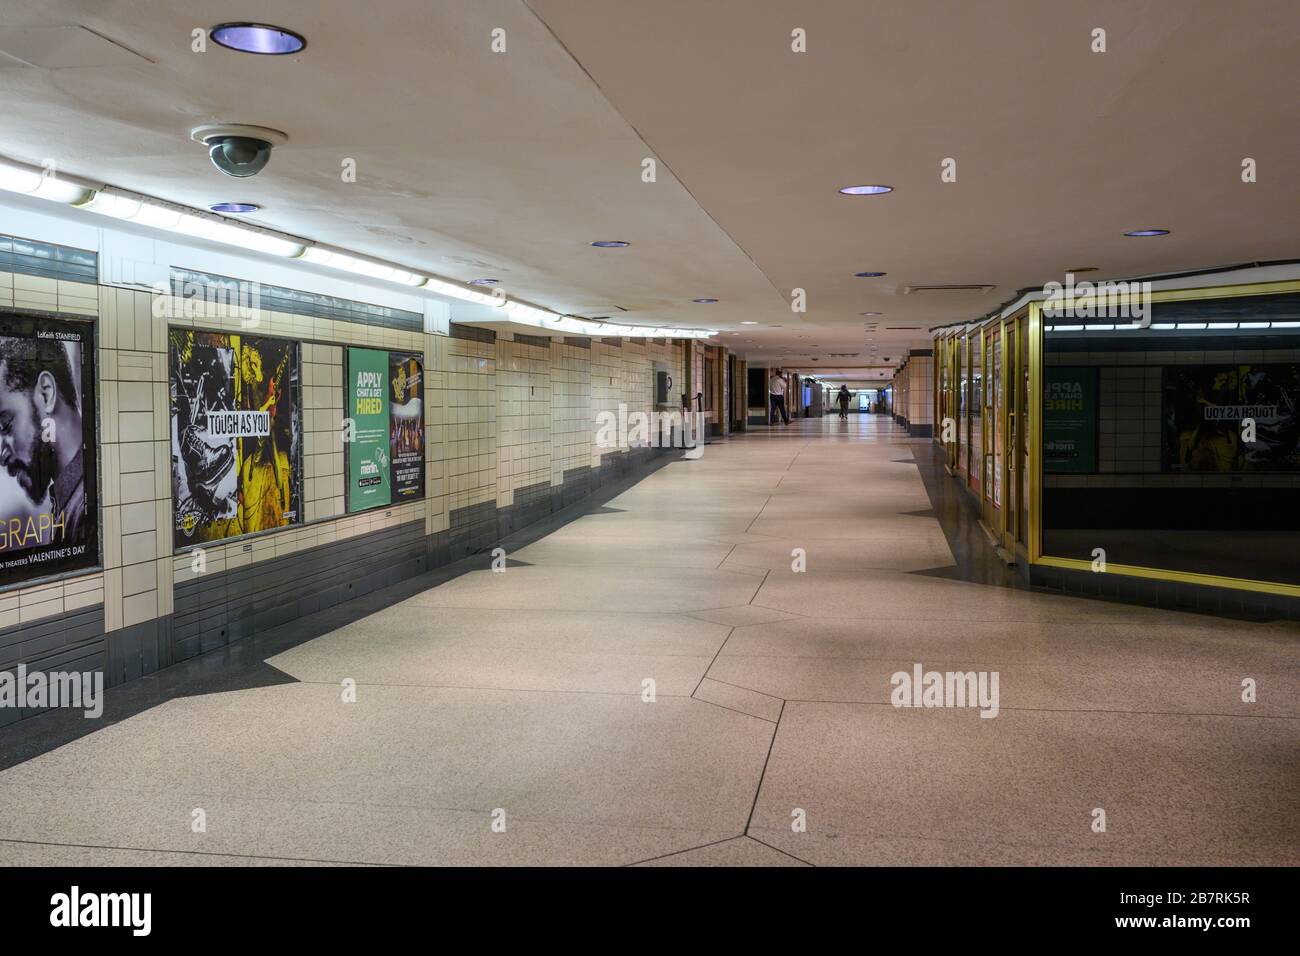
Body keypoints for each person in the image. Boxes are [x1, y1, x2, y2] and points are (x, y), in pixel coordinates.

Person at [0, 336, 87, 546]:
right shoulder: (72, 502)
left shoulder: (84, 510)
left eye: (6, 425)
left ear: (46, 393)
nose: (2, 456)